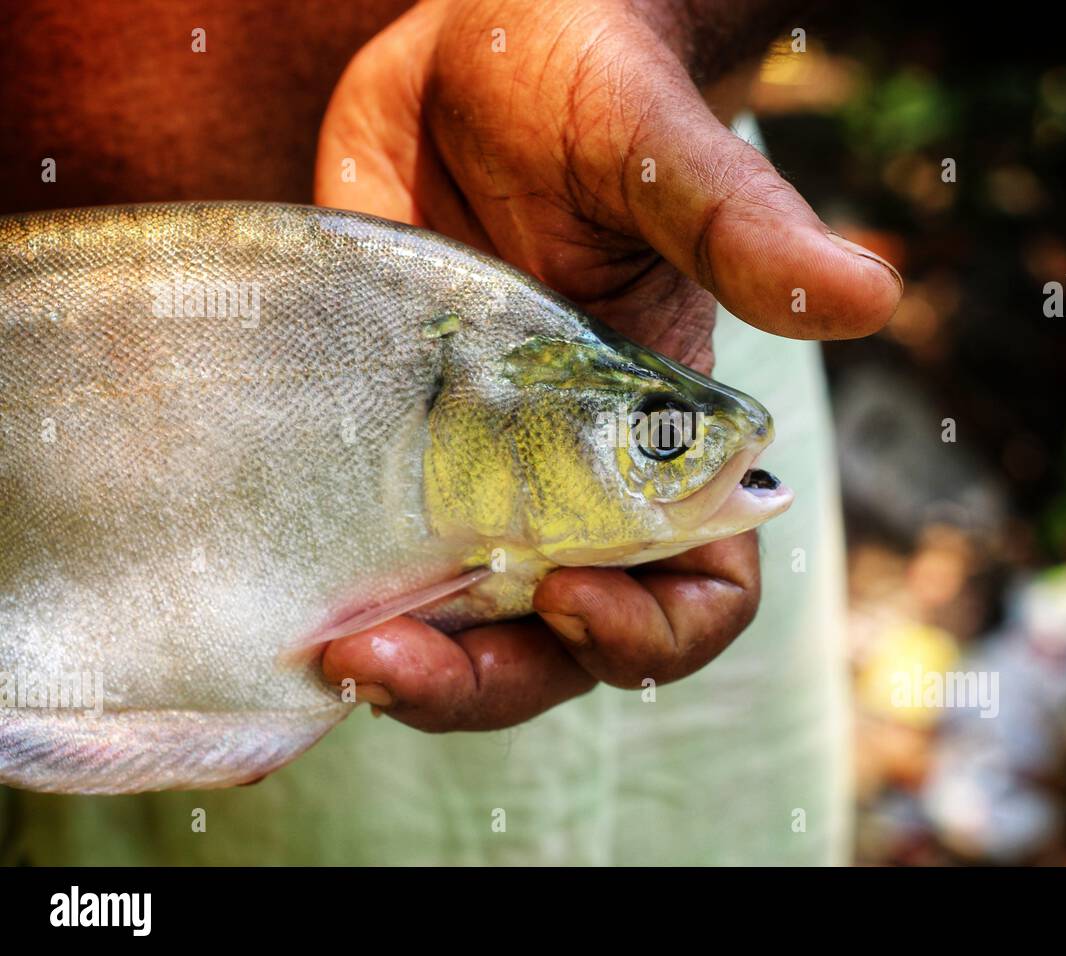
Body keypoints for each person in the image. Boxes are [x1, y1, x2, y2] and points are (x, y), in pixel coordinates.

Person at [0, 0, 899, 864]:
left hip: (581, 237)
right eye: (659, 439)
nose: (690, 453)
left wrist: (647, 12)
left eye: (656, 437)